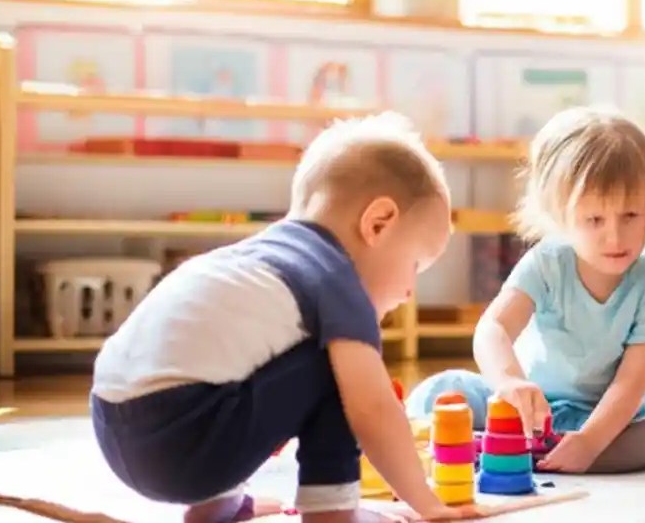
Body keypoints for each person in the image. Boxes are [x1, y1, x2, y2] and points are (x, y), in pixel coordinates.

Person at [90, 113, 474, 523]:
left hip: (113, 427)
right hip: (183, 440)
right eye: (415, 264)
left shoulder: (251, 260)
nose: (410, 290)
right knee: (346, 376)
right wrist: (428, 505)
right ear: (377, 224)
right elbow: (374, 410)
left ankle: (217, 508)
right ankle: (333, 515)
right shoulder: (334, 279)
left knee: (243, 368)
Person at [408, 107, 645, 474]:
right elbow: (494, 328)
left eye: (631, 215)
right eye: (594, 219)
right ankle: (536, 446)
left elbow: (632, 383)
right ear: (558, 214)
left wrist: (591, 441)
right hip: (533, 407)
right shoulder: (547, 262)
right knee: (440, 391)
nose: (615, 236)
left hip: (609, 418)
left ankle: (534, 451)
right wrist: (509, 382)